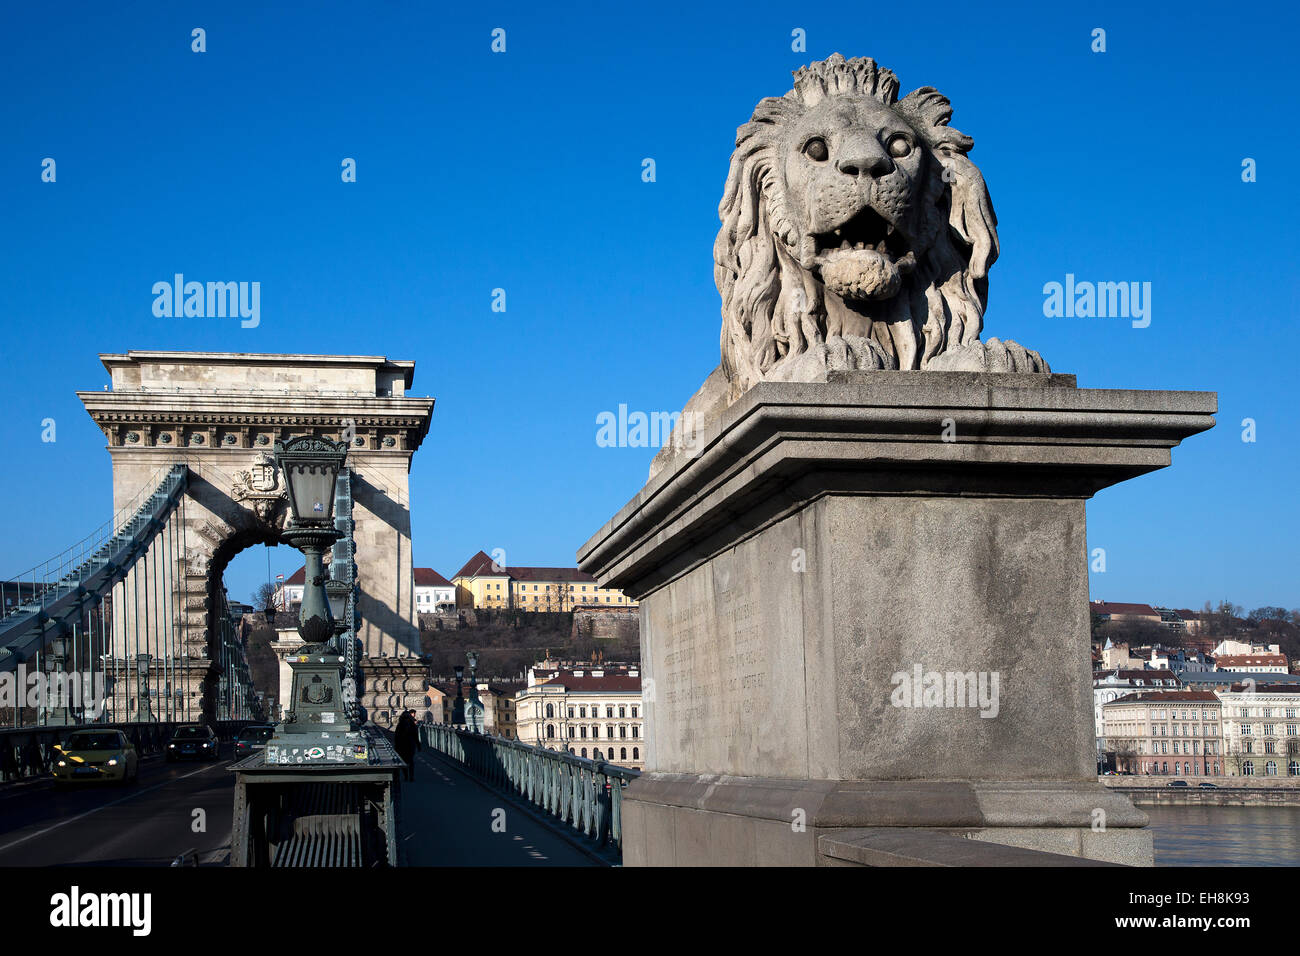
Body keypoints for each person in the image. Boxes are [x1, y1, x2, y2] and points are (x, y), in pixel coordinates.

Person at [394, 710, 420, 781]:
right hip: (410, 744)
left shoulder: (400, 724)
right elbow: (416, 736)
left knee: (403, 761)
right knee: (411, 761)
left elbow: (396, 736)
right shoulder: (412, 724)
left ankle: (406, 776)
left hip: (401, 745)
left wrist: (396, 746)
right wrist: (418, 745)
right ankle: (411, 777)